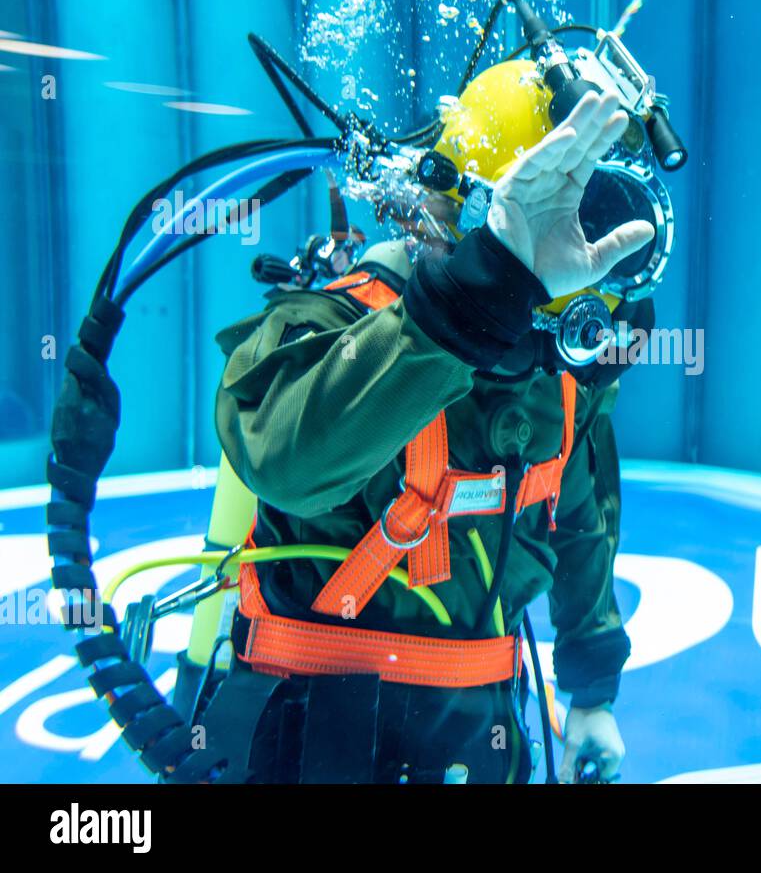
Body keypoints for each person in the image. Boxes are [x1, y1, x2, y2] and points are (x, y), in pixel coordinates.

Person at [203, 84, 653, 783]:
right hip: (311, 739)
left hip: (480, 738)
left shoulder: (558, 372)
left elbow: (577, 516)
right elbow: (280, 457)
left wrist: (593, 695)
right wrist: (457, 315)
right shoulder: (329, 330)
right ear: (476, 211)